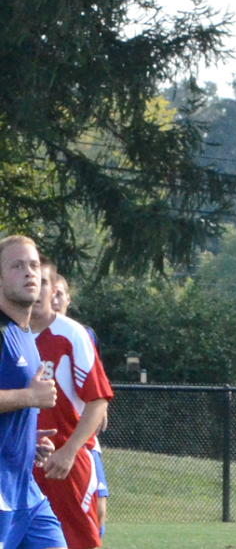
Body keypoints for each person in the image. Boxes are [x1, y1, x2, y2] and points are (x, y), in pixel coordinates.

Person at [30, 259, 113, 549]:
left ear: (54, 290)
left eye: (42, 282)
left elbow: (98, 398)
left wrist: (69, 450)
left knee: (76, 539)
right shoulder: (9, 335)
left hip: (63, 466)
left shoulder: (71, 334)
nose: (35, 289)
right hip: (15, 463)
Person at [0, 235, 65, 549]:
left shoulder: (24, 332)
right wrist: (30, 398)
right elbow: (27, 394)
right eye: (17, 266)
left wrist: (27, 440)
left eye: (34, 265)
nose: (30, 273)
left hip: (26, 492)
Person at [50, 275, 109, 538]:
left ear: (68, 298)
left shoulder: (80, 334)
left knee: (97, 506)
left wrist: (100, 407)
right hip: (45, 441)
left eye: (59, 293)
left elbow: (95, 383)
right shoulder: (22, 332)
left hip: (82, 440)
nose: (54, 299)